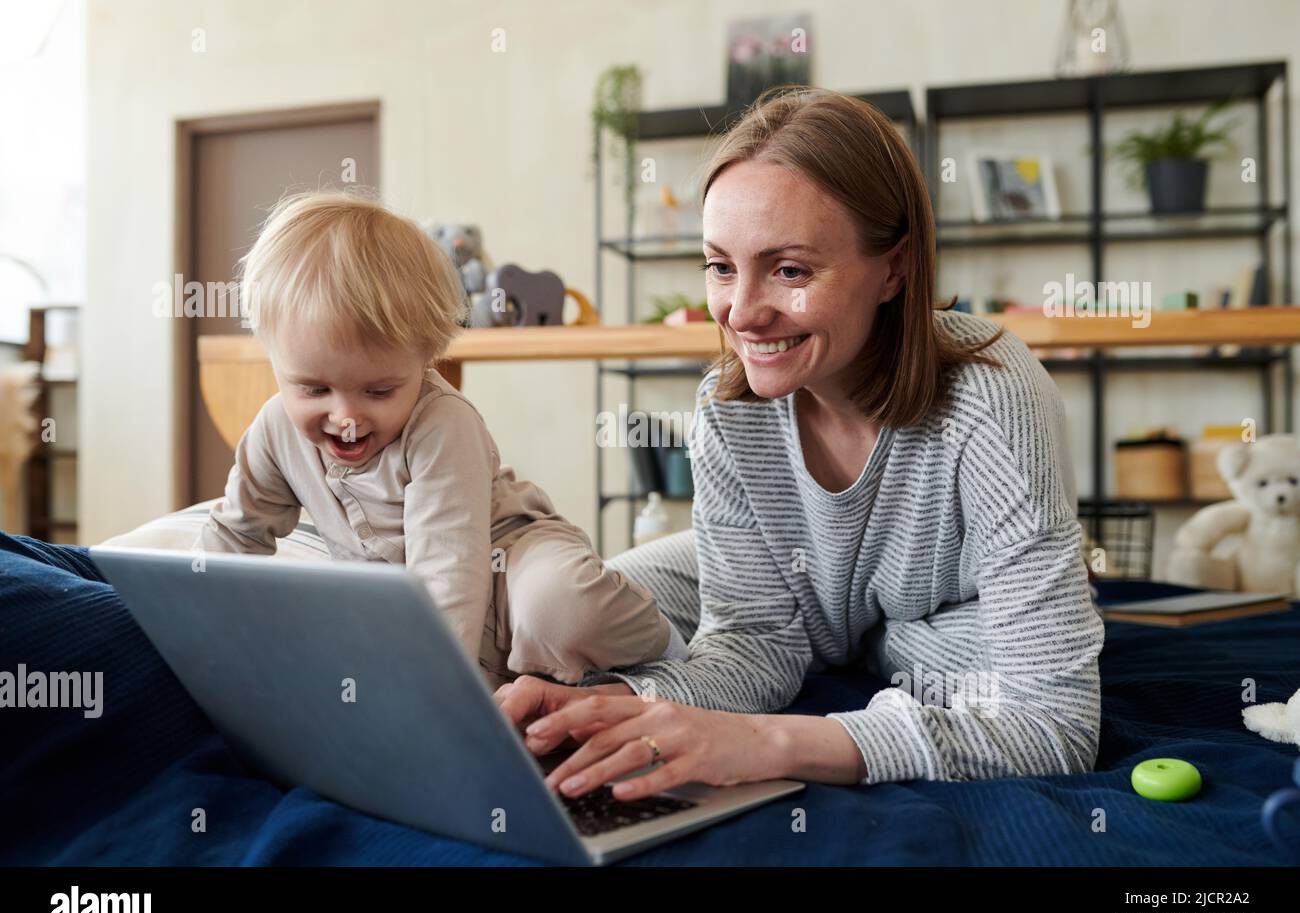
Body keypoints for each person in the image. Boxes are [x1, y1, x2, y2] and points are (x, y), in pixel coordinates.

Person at [495, 86, 1105, 800]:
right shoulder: (727, 411)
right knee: (583, 610)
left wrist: (768, 742)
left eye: (789, 270)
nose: (743, 313)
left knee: (940, 655)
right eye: (720, 266)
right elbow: (754, 641)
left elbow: (1058, 725)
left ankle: (893, 636)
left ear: (895, 268)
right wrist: (632, 704)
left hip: (951, 600)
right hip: (802, 585)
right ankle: (879, 637)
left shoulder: (993, 399)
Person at [195, 191, 687, 686]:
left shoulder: (441, 425)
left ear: (426, 358)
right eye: (314, 389)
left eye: (379, 390)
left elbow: (446, 579)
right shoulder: (275, 430)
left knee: (561, 608)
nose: (345, 417)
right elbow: (235, 535)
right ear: (274, 357)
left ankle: (667, 647)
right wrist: (196, 625)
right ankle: (540, 683)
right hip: (416, 611)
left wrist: (432, 701)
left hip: (507, 563)